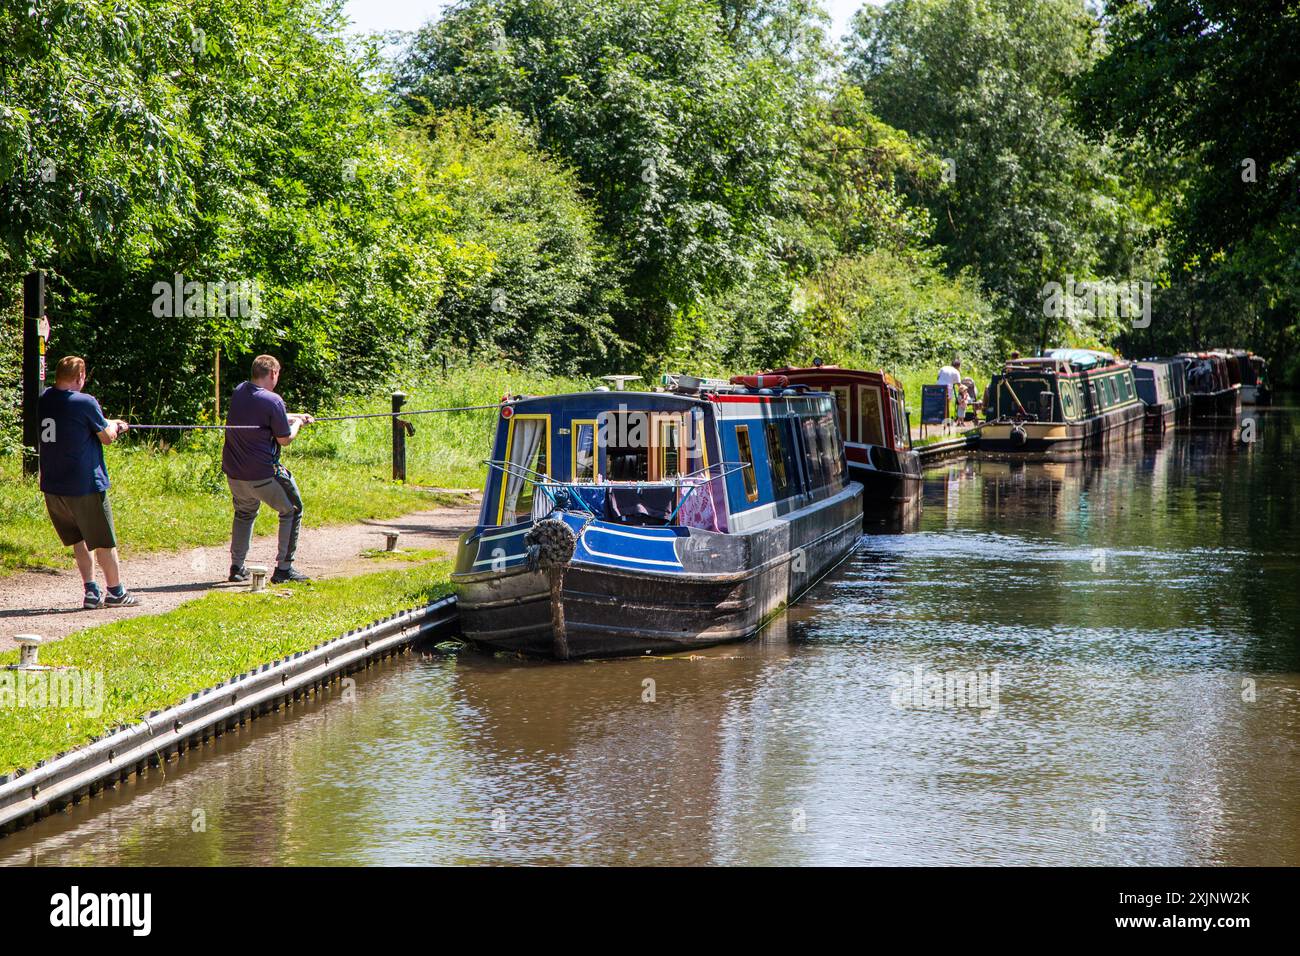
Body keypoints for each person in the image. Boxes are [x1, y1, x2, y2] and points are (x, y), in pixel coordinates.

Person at [37, 356, 139, 609]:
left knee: (79, 539)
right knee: (103, 540)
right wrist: (117, 425)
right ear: (79, 377)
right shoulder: (86, 402)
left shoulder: (44, 400)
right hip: (84, 484)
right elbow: (106, 437)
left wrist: (105, 424)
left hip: (53, 485)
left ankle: (91, 591)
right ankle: (115, 592)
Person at [221, 355, 314, 584]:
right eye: (278, 374)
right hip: (263, 475)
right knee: (292, 510)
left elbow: (267, 418)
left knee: (244, 514)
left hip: (235, 474)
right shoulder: (273, 400)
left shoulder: (240, 391)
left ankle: (237, 567)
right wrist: (298, 424)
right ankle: (284, 569)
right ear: (273, 373)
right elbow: (284, 439)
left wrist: (294, 415)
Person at [937, 357, 962, 423]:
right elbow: (959, 385)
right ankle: (945, 418)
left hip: (938, 388)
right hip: (947, 389)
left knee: (939, 402)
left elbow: (938, 378)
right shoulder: (956, 372)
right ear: (958, 366)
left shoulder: (943, 368)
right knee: (947, 403)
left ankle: (938, 418)